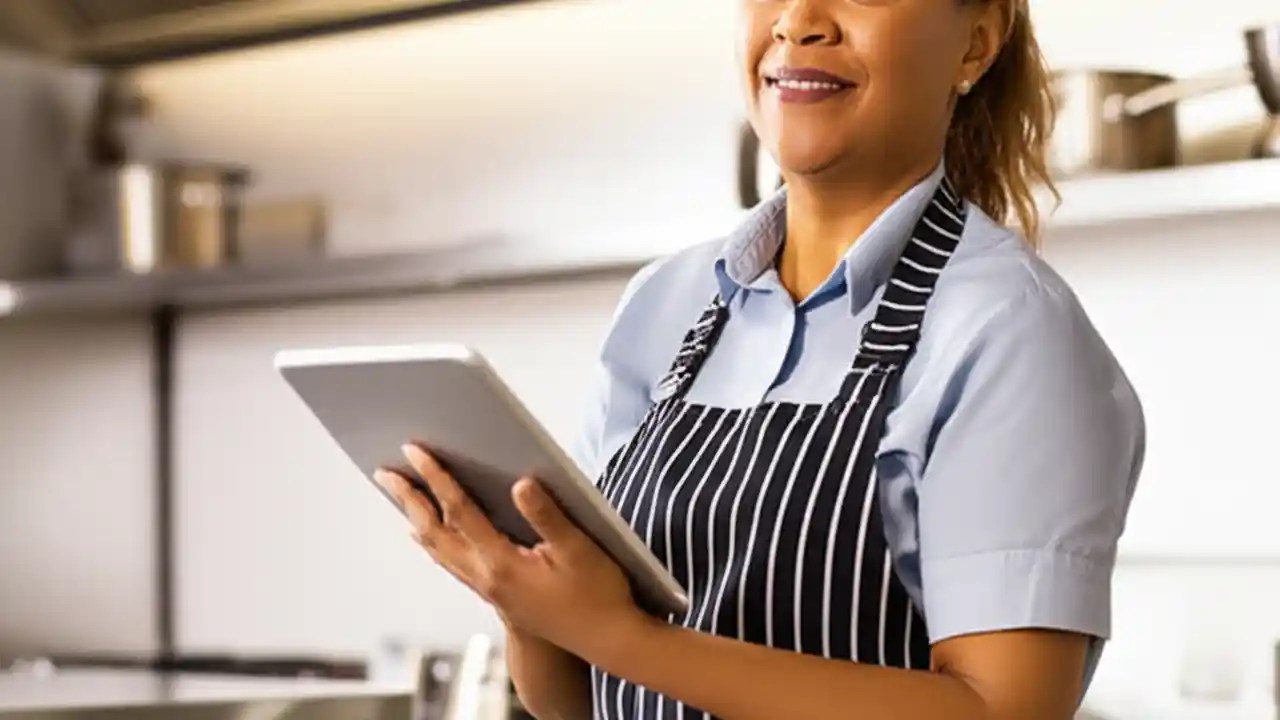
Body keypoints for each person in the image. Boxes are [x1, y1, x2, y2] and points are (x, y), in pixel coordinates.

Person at [374, 0, 1145, 717]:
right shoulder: (663, 304)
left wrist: (622, 637)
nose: (798, 21)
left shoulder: (1007, 330)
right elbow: (571, 701)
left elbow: (999, 709)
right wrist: (522, 596)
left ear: (975, 42)